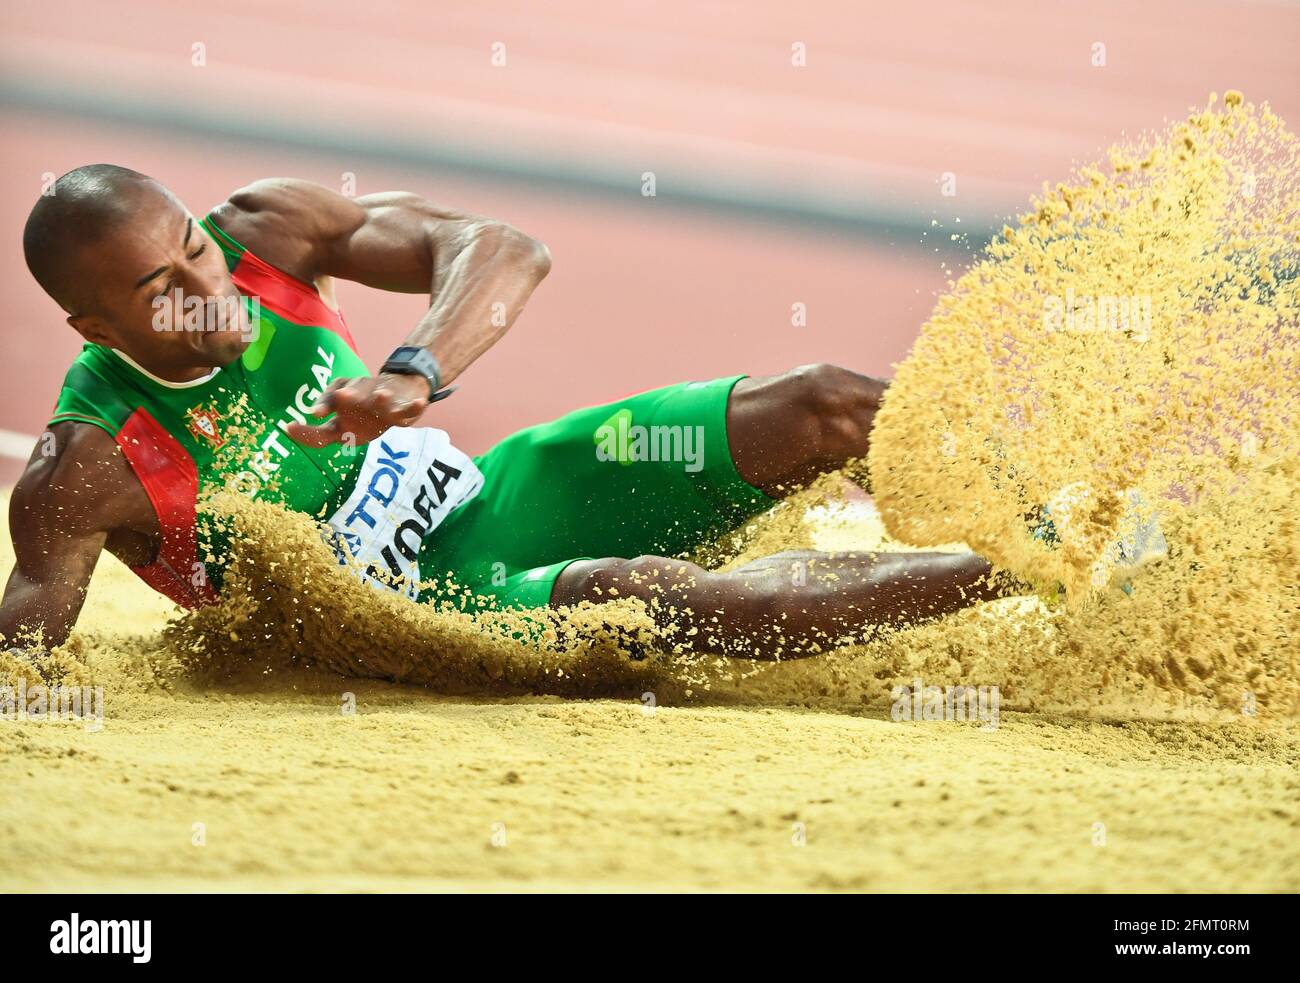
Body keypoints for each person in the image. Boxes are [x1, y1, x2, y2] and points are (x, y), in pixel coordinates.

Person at [2, 165, 1007, 657]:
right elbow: (22, 662)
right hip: (434, 612)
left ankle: (1043, 508)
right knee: (663, 590)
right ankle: (1026, 565)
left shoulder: (268, 234)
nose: (206, 286)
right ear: (92, 322)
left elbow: (503, 246)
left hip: (491, 494)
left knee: (825, 402)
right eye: (157, 285)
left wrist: (413, 369)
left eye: (194, 246)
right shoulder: (87, 467)